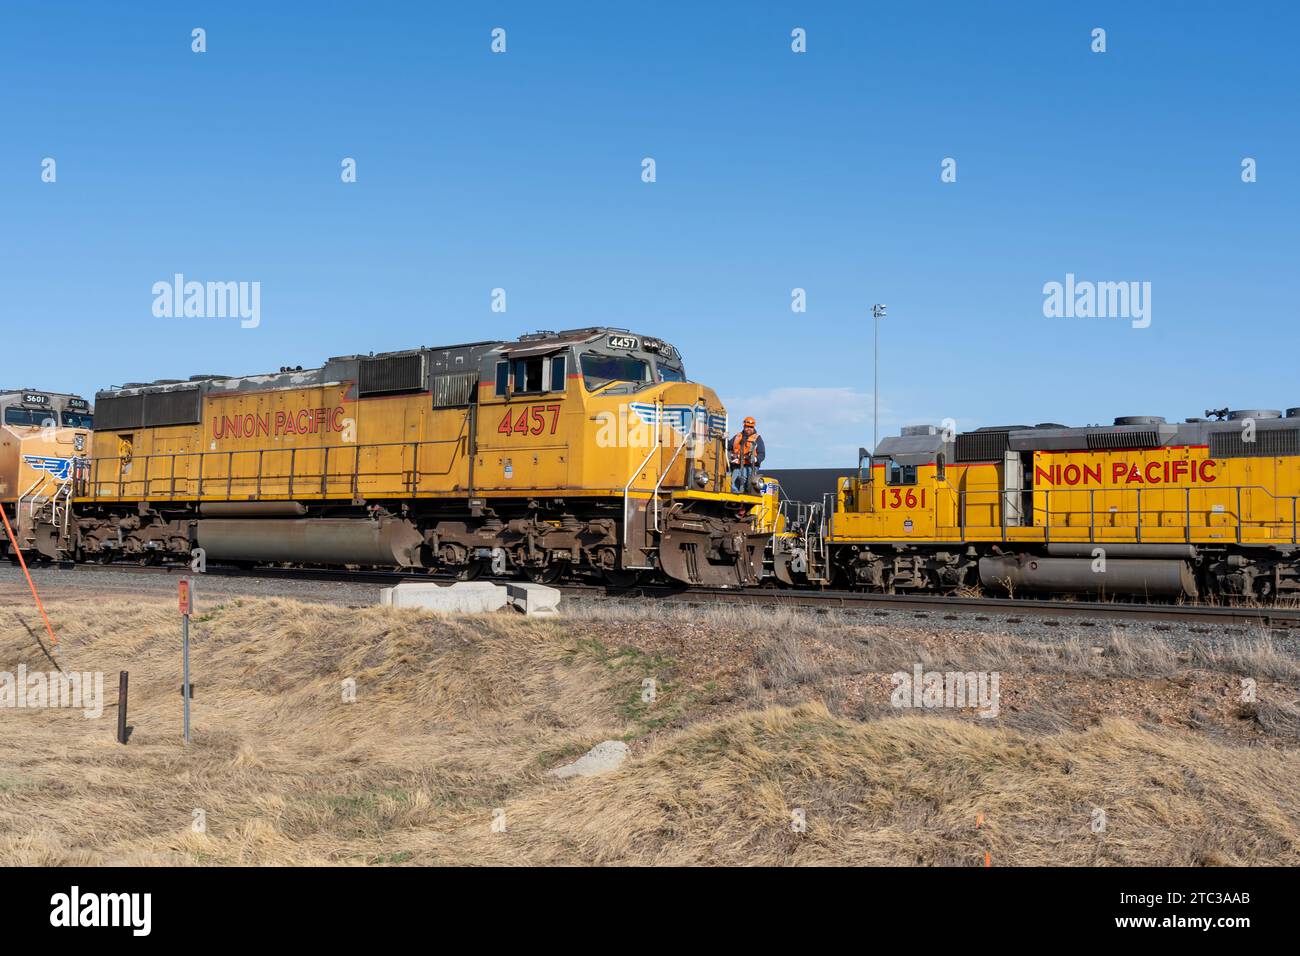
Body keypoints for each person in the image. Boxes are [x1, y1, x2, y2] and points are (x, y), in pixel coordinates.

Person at [729, 416, 765, 494]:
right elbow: (728, 446)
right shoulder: (737, 437)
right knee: (734, 480)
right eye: (747, 426)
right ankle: (735, 497)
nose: (749, 428)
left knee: (746, 479)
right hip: (738, 464)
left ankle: (745, 494)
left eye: (751, 427)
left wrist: (755, 459)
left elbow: (762, 454)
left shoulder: (757, 438)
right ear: (744, 426)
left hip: (751, 465)